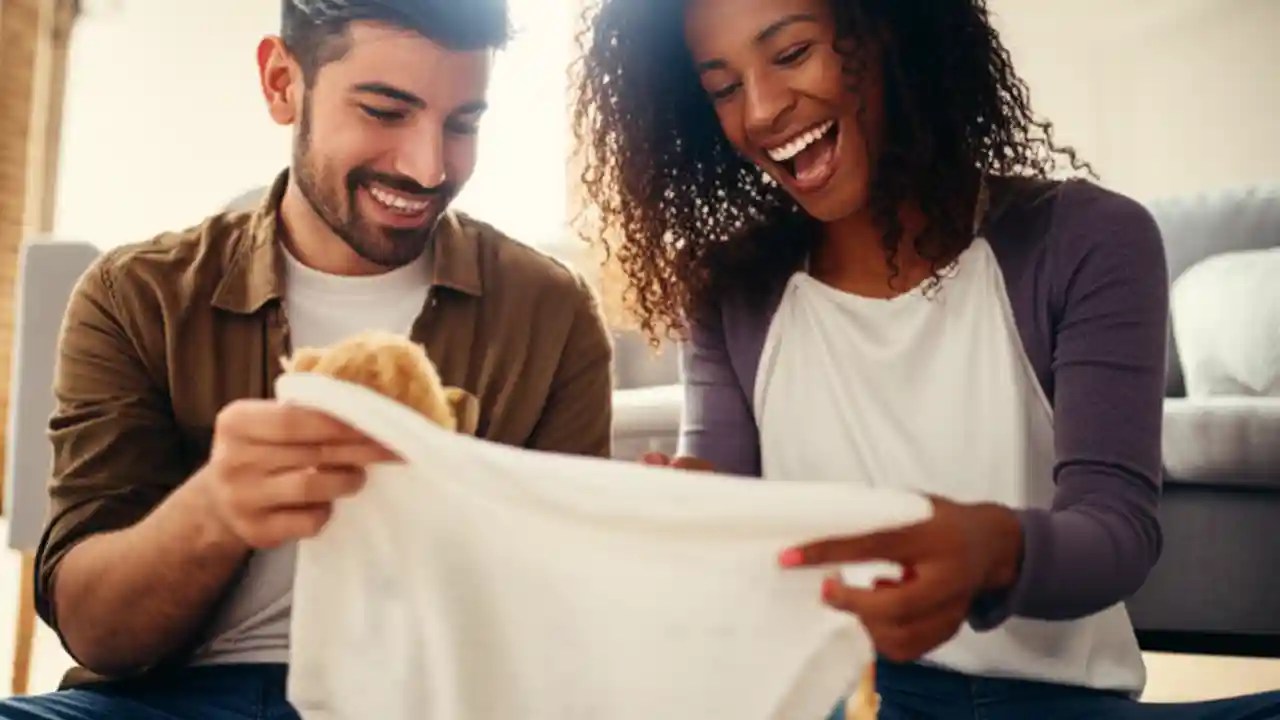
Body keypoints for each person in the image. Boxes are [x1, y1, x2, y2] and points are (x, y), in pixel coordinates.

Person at [572, 0, 1280, 717]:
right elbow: (733, 533)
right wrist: (690, 513)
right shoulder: (731, 291)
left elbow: (1118, 532)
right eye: (723, 88)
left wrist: (990, 549)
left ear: (889, 31)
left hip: (1056, 705)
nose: (759, 111)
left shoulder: (1089, 239)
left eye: (790, 54)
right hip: (840, 694)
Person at [0, 1, 612, 717]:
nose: (427, 167)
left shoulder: (548, 310)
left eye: (462, 124)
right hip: (167, 700)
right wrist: (215, 509)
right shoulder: (138, 297)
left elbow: (568, 610)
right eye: (385, 111)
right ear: (283, 82)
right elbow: (95, 632)